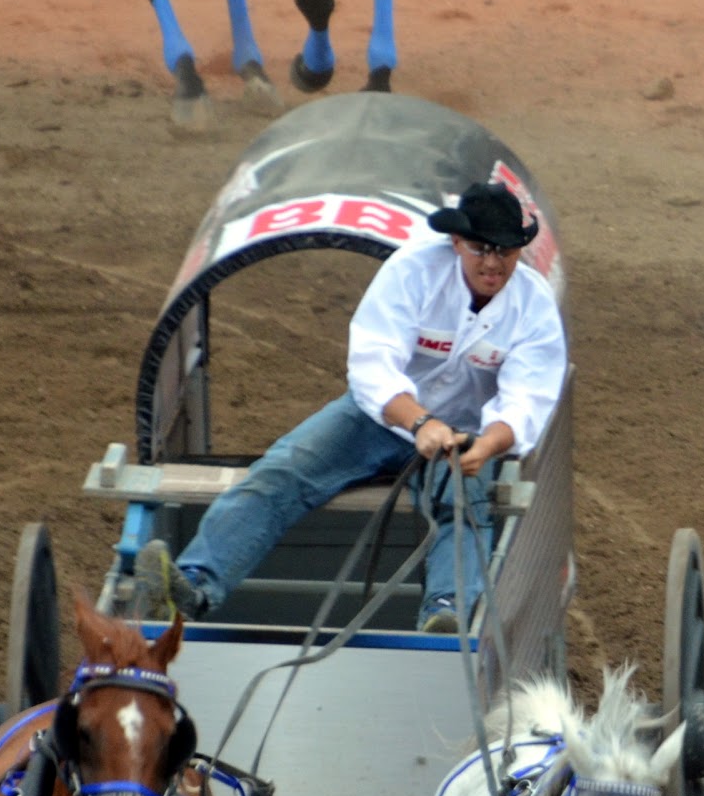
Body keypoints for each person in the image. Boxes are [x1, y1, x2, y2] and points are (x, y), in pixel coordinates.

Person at [133, 180, 567, 633]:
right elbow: (373, 363)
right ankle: (193, 584)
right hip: (382, 416)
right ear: (456, 241)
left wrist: (487, 446)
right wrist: (418, 422)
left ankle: (447, 613)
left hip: (464, 433)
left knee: (462, 501)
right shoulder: (412, 271)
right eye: (481, 248)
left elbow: (527, 397)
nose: (494, 263)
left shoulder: (533, 305)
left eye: (507, 251)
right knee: (284, 469)